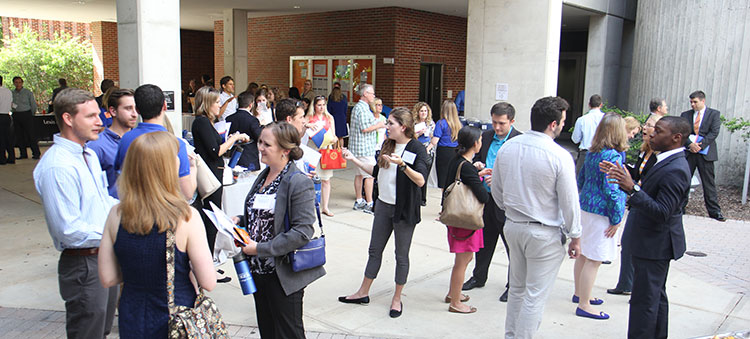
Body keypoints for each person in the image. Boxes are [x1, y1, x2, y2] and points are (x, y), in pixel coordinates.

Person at [97, 131, 215, 338]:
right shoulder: (186, 217)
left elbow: (108, 278)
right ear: (168, 169)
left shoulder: (116, 214)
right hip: (176, 320)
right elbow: (208, 282)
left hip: (132, 315)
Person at [493, 96, 581, 338]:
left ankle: (512, 335)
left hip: (514, 226)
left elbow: (497, 193)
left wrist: (511, 211)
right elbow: (569, 201)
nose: (563, 124)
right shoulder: (559, 155)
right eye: (562, 121)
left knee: (518, 290)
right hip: (543, 232)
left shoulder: (508, 147)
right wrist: (575, 235)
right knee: (533, 295)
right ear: (553, 124)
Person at [33, 88, 118, 338]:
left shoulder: (88, 154)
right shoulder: (58, 166)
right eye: (90, 116)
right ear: (68, 119)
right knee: (87, 331)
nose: (100, 122)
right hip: (84, 262)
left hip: (103, 255)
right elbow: (69, 231)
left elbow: (102, 202)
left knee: (101, 329)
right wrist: (114, 233)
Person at [603, 116, 691, 339]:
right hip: (650, 242)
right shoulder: (663, 159)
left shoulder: (677, 168)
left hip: (656, 244)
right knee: (655, 297)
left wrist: (632, 190)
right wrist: (622, 172)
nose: (651, 134)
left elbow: (663, 212)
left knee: (644, 301)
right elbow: (647, 182)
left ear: (676, 138)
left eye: (658, 131)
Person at [236, 122, 325, 338]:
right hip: (258, 271)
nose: (260, 148)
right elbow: (260, 216)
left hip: (282, 274)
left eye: (267, 144)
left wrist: (260, 248)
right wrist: (238, 220)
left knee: (288, 333)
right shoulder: (263, 176)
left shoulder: (298, 181)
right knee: (267, 331)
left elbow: (302, 232)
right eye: (260, 142)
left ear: (285, 150)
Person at [338, 107, 429, 319]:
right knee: (374, 250)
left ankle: (397, 298)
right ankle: (363, 292)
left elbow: (421, 180)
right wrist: (354, 159)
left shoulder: (417, 148)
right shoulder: (388, 145)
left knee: (401, 255)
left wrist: (403, 165)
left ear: (403, 127)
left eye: (390, 124)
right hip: (383, 206)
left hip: (404, 209)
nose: (386, 126)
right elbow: (377, 172)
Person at [462, 102, 522, 303]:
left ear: (512, 121)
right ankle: (479, 277)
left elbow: (521, 173)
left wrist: (498, 177)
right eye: (494, 122)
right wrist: (477, 165)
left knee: (511, 247)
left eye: (502, 123)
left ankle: (513, 285)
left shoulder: (519, 141)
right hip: (485, 199)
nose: (497, 127)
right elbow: (475, 157)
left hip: (507, 202)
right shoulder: (485, 136)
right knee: (483, 243)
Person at [573, 114, 629, 320]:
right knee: (594, 259)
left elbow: (581, 180)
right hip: (601, 213)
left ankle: (580, 293)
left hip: (586, 208)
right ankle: (584, 304)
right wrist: (616, 218)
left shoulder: (592, 153)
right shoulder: (613, 157)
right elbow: (612, 191)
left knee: (584, 254)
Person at [607, 113, 663, 296]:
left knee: (631, 242)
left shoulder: (660, 156)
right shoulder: (643, 151)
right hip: (637, 202)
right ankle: (626, 284)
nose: (645, 128)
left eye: (650, 126)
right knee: (628, 243)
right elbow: (638, 175)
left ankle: (628, 284)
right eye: (646, 125)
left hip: (645, 203)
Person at [115, 84, 196, 200]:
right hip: (165, 212)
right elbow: (186, 193)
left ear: (137, 109)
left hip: (133, 210)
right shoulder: (176, 144)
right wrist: (193, 168)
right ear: (164, 106)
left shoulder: (125, 140)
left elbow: (119, 176)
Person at [192, 86, 249, 250]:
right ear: (207, 104)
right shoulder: (201, 122)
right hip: (210, 177)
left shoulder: (207, 123)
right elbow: (216, 151)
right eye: (217, 102)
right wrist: (234, 138)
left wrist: (229, 140)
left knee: (213, 221)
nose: (220, 105)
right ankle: (208, 265)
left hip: (215, 174)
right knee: (211, 221)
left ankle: (210, 263)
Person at [443, 126, 489, 314]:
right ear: (475, 143)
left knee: (465, 258)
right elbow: (483, 197)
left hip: (456, 218)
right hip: (466, 221)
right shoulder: (467, 167)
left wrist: (477, 174)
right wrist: (481, 180)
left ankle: (453, 293)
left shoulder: (457, 161)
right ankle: (455, 302)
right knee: (462, 261)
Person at [680, 90, 725, 221]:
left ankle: (714, 211)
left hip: (705, 153)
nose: (692, 105)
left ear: (703, 101)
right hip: (689, 152)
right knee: (684, 180)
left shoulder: (714, 114)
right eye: (691, 102)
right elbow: (682, 132)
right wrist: (690, 145)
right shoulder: (686, 115)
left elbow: (714, 132)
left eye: (695, 102)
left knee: (708, 183)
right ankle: (680, 207)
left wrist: (700, 145)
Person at [88, 89, 137, 197]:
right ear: (113, 111)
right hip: (111, 209)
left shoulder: (141, 140)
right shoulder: (96, 146)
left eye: (135, 108)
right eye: (128, 108)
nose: (134, 114)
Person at [348, 84, 384, 213]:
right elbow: (364, 128)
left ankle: (359, 200)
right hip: (364, 148)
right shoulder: (362, 109)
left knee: (359, 175)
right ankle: (369, 203)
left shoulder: (360, 108)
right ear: (365, 94)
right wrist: (379, 124)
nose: (373, 96)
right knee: (370, 176)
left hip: (357, 148)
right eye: (372, 93)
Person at [305, 95, 337, 216]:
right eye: (319, 105)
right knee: (310, 178)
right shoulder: (309, 117)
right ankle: (310, 205)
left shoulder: (329, 117)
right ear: (314, 106)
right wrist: (307, 125)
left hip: (325, 149)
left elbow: (334, 136)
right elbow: (302, 129)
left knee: (326, 179)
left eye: (323, 105)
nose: (321, 107)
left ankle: (325, 206)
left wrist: (331, 139)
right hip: (313, 148)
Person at [429, 100, 462, 189]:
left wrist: (427, 149)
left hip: (443, 152)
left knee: (443, 180)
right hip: (455, 151)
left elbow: (434, 141)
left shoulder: (440, 123)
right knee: (453, 178)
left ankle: (444, 200)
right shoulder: (459, 124)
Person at [227, 91, 263, 171]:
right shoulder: (253, 120)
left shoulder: (229, 118)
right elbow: (259, 136)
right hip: (249, 156)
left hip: (233, 156)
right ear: (251, 104)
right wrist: (262, 127)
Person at [572, 94, 605, 174]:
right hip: (602, 154)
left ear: (589, 105)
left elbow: (575, 139)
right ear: (601, 105)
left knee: (580, 180)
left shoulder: (582, 120)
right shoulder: (606, 118)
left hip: (585, 153)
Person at [11, 76, 40, 159]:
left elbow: (33, 104)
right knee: (19, 136)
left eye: (19, 82)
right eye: (16, 82)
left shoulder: (28, 92)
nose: (18, 84)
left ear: (22, 83)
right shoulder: (12, 93)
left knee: (31, 135)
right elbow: (11, 103)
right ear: (13, 83)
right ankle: (23, 154)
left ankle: (36, 153)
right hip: (16, 114)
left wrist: (31, 114)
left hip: (27, 114)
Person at [0, 76, 14, 165]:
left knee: (1, 139)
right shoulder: (8, 91)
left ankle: (2, 159)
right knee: (8, 137)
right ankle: (11, 157)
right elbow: (11, 103)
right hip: (7, 115)